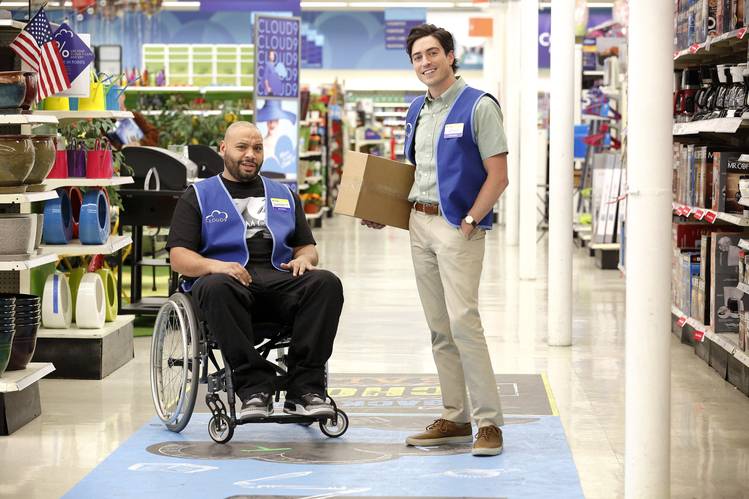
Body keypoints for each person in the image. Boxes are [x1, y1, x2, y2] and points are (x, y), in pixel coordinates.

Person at [362, 24, 509, 456]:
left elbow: (498, 176)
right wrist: (385, 212)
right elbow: (415, 172)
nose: (425, 63)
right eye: (417, 57)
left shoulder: (478, 106)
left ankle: (489, 423)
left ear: (449, 55)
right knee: (439, 327)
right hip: (418, 225)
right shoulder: (416, 110)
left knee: (465, 322)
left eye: (432, 54)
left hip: (456, 227)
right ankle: (455, 416)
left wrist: (469, 220)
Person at [166, 121, 344, 420]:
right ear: (223, 149)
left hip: (278, 278)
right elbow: (179, 257)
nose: (250, 154)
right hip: (227, 284)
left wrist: (305, 259)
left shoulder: (284, 194)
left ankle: (305, 388)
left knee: (326, 283)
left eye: (257, 148)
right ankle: (253, 387)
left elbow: (305, 245)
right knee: (214, 286)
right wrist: (215, 266)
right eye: (242, 147)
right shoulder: (198, 195)